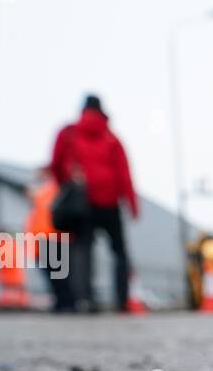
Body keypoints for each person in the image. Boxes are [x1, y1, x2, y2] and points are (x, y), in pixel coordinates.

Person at [49, 95, 139, 312]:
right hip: (110, 201)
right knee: (119, 252)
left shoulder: (68, 133)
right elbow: (124, 173)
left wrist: (67, 188)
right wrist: (132, 204)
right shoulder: (111, 138)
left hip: (83, 203)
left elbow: (56, 164)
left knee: (83, 252)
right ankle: (122, 300)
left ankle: (85, 299)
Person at [25, 168, 74, 311]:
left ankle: (66, 303)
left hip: (52, 236)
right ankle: (61, 302)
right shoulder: (43, 192)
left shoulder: (54, 188)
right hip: (43, 238)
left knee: (58, 273)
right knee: (52, 273)